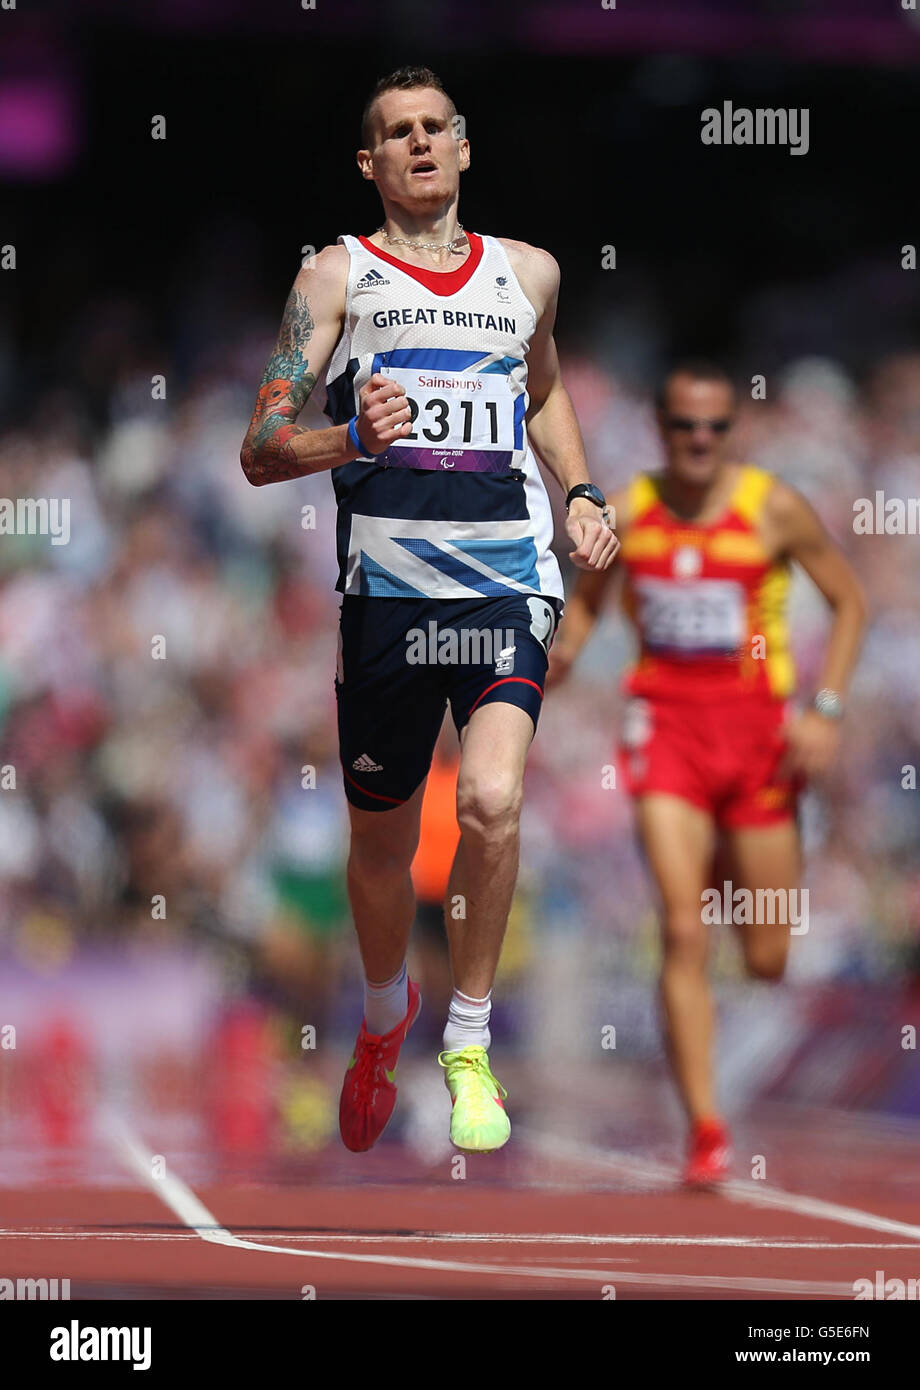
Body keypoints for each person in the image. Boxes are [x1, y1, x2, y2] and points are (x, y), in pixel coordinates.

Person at [240, 65, 618, 1155]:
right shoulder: (335, 278)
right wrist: (352, 437)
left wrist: (579, 494)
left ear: (462, 146)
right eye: (393, 133)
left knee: (494, 801)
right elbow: (260, 446)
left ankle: (464, 1040)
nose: (415, 145)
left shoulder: (527, 275)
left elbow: (540, 390)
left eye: (432, 129)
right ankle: (378, 1015)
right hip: (388, 599)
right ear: (369, 163)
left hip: (505, 581)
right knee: (381, 849)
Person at [548, 361, 867, 1184]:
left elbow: (850, 602)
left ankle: (734, 863)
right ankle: (706, 1131)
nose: (698, 441)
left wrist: (825, 710)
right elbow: (590, 590)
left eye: (715, 428)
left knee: (764, 956)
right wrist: (573, 645)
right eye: (683, 426)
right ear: (661, 428)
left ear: (736, 431)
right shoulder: (631, 510)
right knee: (683, 932)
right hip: (667, 736)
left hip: (761, 745)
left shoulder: (774, 509)